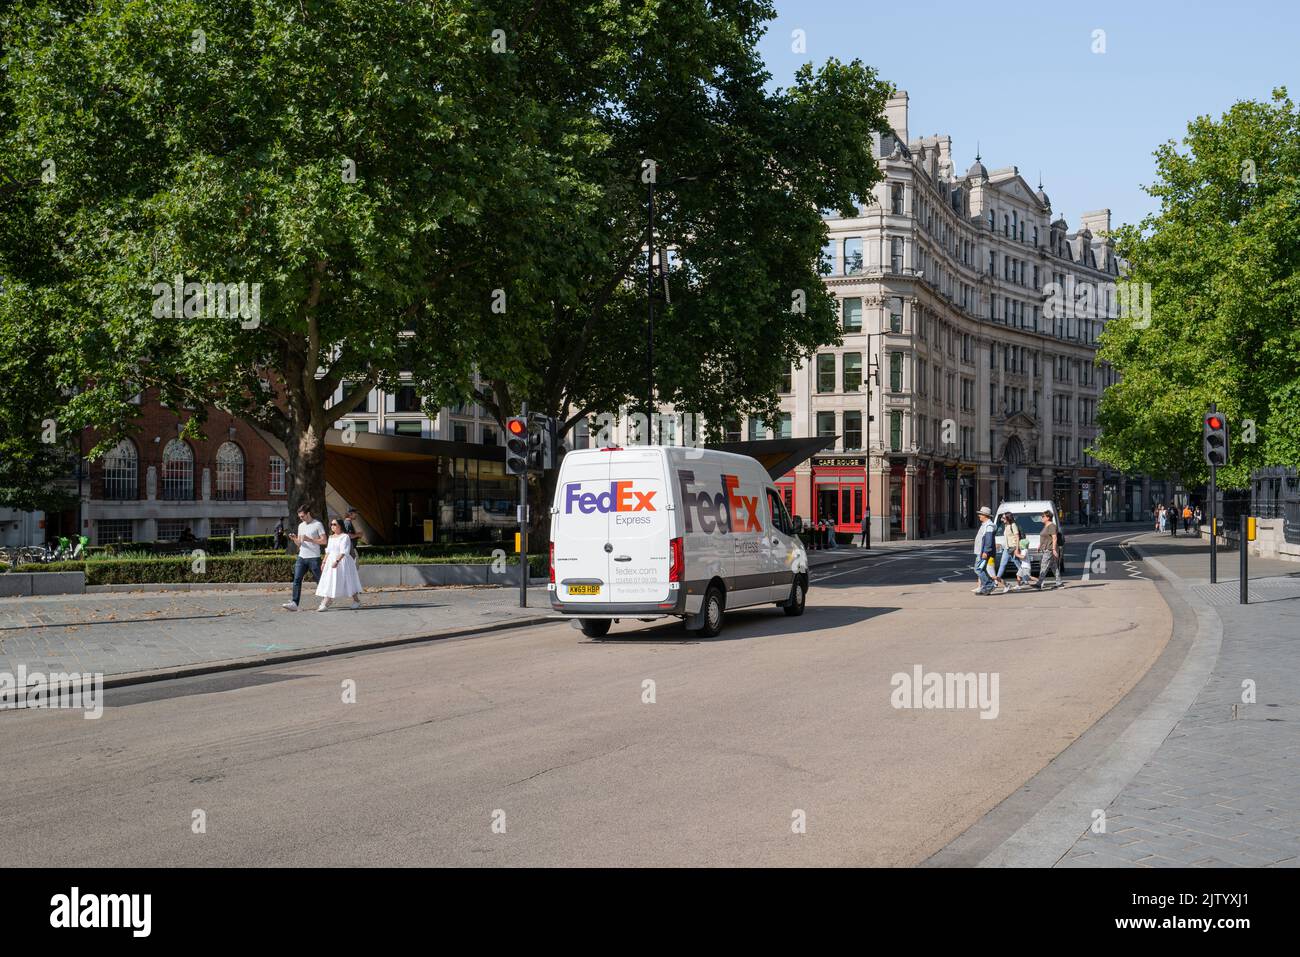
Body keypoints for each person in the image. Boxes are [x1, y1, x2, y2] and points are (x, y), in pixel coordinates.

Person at [282, 505, 326, 611]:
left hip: (314, 557)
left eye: (302, 516)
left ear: (308, 513)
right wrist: (294, 539)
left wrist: (310, 539)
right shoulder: (301, 526)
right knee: (297, 579)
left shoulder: (317, 524)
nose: (301, 518)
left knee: (319, 580)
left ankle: (326, 600)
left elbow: (324, 541)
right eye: (300, 517)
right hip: (302, 556)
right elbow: (300, 544)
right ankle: (294, 603)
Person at [315, 517, 364, 611]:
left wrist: (337, 561)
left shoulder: (345, 536)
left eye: (334, 524)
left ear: (340, 526)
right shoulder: (331, 537)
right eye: (331, 524)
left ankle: (356, 601)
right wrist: (324, 562)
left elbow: (343, 551)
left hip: (343, 561)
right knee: (330, 580)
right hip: (330, 561)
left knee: (347, 581)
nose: (332, 526)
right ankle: (326, 601)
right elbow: (328, 551)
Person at [993, 511, 1024, 593]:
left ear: (1007, 518)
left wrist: (1017, 548)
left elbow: (1017, 537)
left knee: (1018, 565)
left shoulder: (1013, 525)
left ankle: (1026, 578)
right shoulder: (1006, 526)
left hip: (1013, 548)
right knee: (1002, 564)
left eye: (1003, 517)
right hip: (1007, 549)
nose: (1002, 519)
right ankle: (996, 581)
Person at [341, 507, 364, 605]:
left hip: (351, 550)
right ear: (350, 514)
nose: (356, 515)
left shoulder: (347, 522)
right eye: (355, 513)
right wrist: (358, 534)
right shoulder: (348, 523)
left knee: (354, 570)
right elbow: (348, 536)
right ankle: (353, 590)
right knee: (353, 571)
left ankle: (353, 590)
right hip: (351, 550)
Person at [972, 506, 997, 595]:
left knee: (978, 569)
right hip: (981, 551)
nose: (979, 516)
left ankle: (989, 584)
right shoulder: (985, 524)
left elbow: (988, 540)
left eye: (981, 514)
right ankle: (985, 588)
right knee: (981, 569)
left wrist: (986, 551)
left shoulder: (989, 526)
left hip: (983, 552)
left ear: (985, 515)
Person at [1038, 508, 1064, 590]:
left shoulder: (1052, 526)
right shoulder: (1046, 526)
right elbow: (1044, 537)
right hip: (1046, 548)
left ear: (1048, 517)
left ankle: (1039, 583)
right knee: (1054, 567)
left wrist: (1053, 549)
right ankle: (1059, 583)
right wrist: (1040, 545)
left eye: (1043, 516)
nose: (1041, 518)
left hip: (1049, 549)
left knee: (1044, 566)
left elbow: (1054, 538)